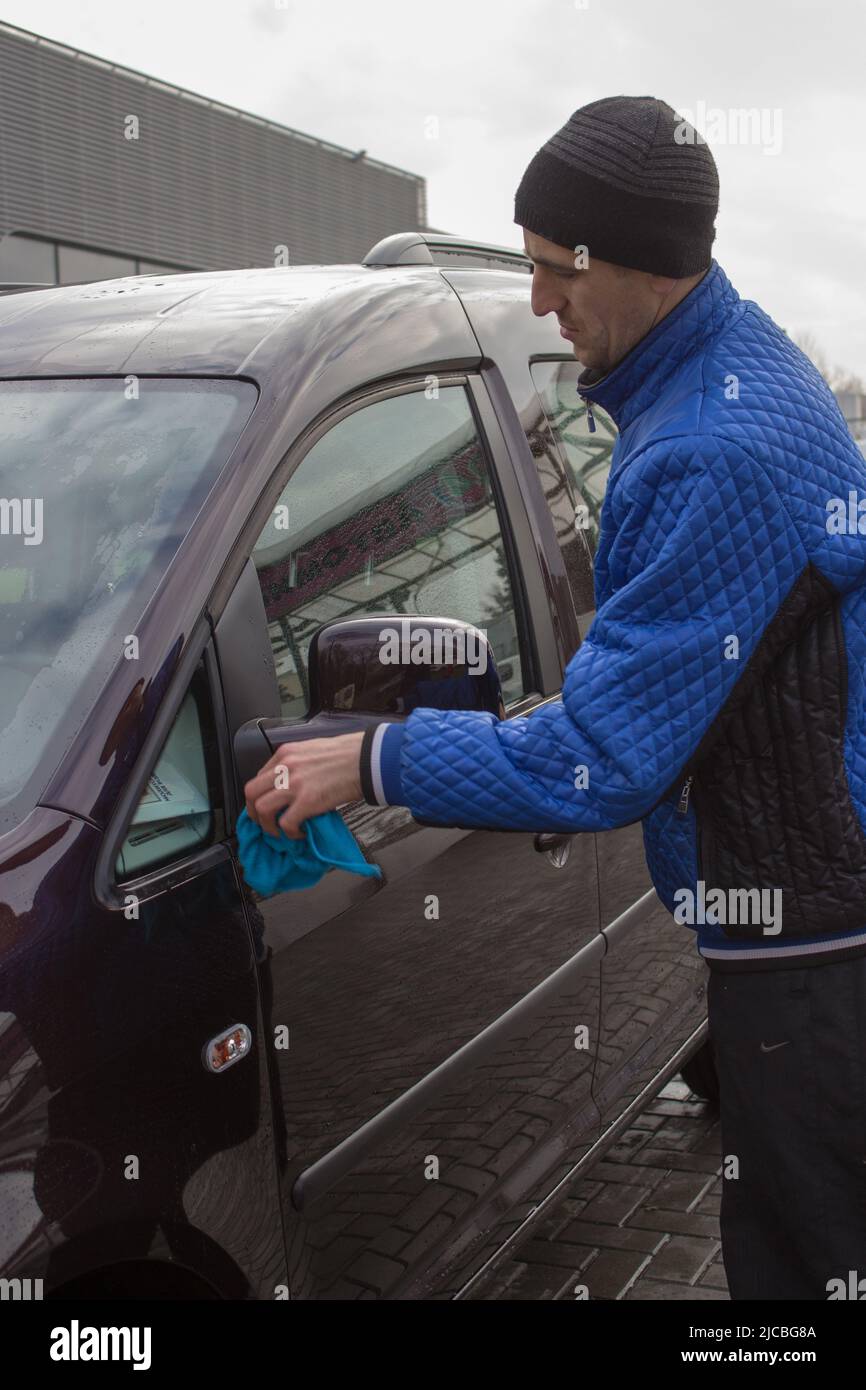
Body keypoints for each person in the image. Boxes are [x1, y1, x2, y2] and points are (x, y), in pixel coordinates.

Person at [244, 95, 866, 1301]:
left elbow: (602, 759)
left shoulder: (710, 453)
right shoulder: (722, 372)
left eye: (551, 272)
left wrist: (366, 760)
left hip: (811, 949)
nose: (538, 302)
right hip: (807, 915)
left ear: (640, 265)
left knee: (802, 1272)